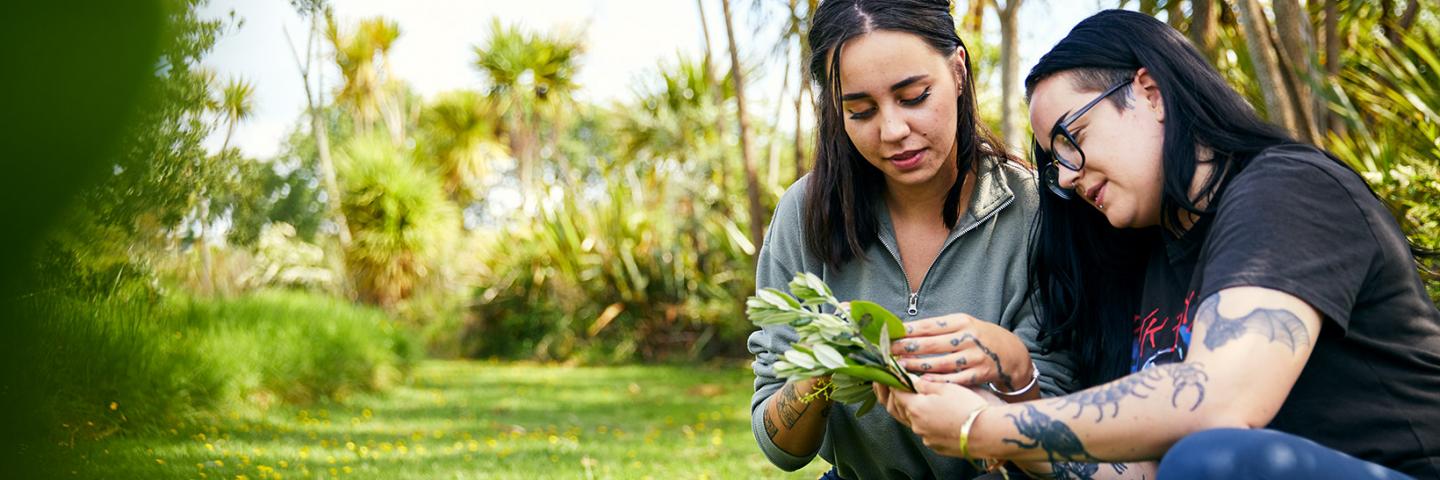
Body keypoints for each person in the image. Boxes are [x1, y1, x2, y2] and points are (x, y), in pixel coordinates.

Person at [879, 9, 1440, 480]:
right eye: (1053, 162)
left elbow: (1219, 405)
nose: (1067, 177)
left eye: (1070, 140)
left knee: (1209, 456)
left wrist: (984, 428)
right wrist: (995, 411)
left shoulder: (1286, 189)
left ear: (1149, 92)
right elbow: (1141, 470)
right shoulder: (1153, 260)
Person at [747, 1, 1080, 478]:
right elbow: (782, 448)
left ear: (958, 71)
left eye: (915, 96)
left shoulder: (1036, 212)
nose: (893, 131)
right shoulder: (804, 214)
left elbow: (1062, 412)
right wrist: (821, 366)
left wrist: (1006, 364)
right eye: (860, 111)